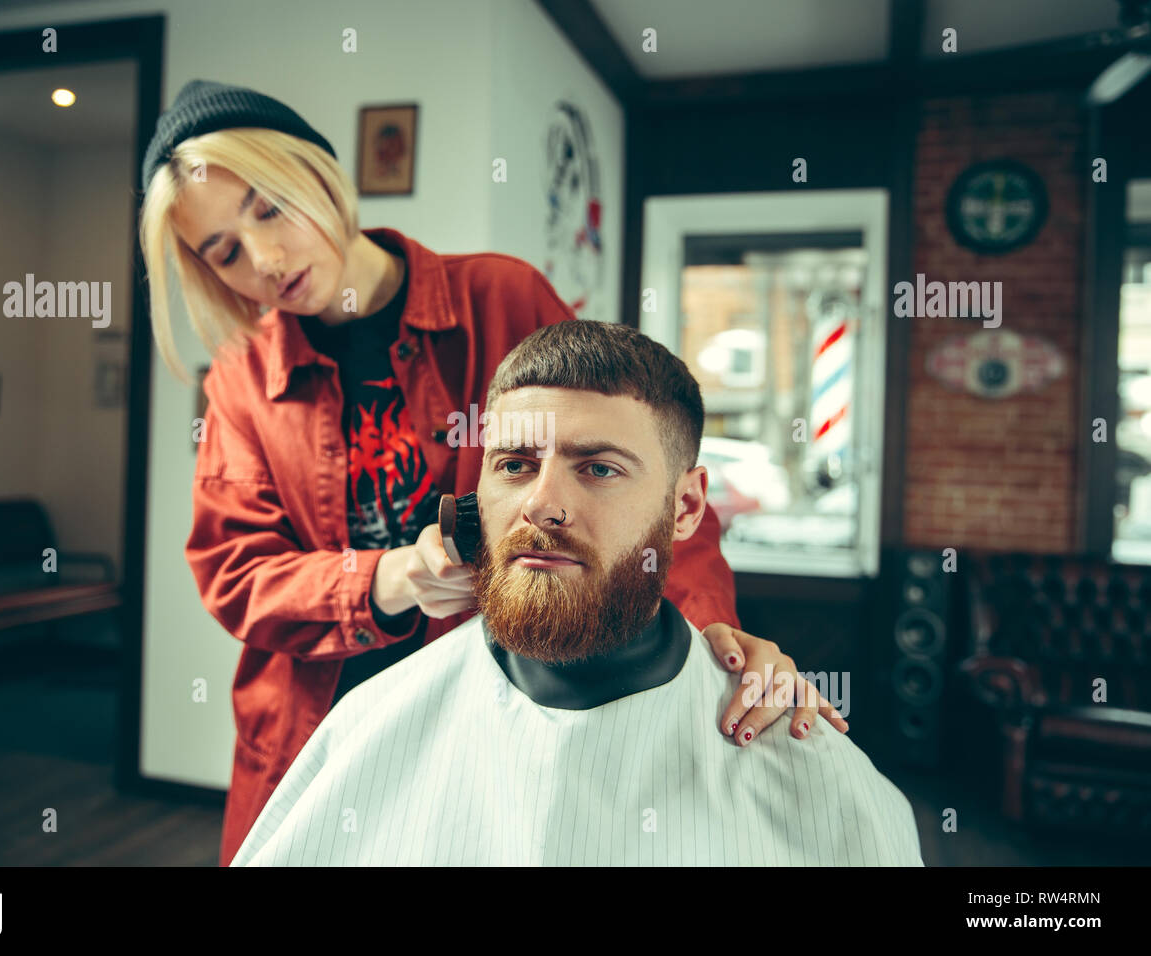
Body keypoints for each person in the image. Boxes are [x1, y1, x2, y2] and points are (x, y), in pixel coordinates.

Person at [138, 80, 851, 867]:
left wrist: (714, 637)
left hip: (495, 723)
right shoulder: (240, 377)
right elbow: (236, 572)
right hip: (313, 729)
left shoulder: (500, 297)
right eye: (225, 252)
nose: (265, 260)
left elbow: (640, 477)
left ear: (319, 173)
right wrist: (388, 579)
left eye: (270, 209)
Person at [231, 321, 922, 866]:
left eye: (598, 469)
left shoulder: (801, 764)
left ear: (685, 508)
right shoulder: (371, 725)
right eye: (514, 465)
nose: (541, 505)